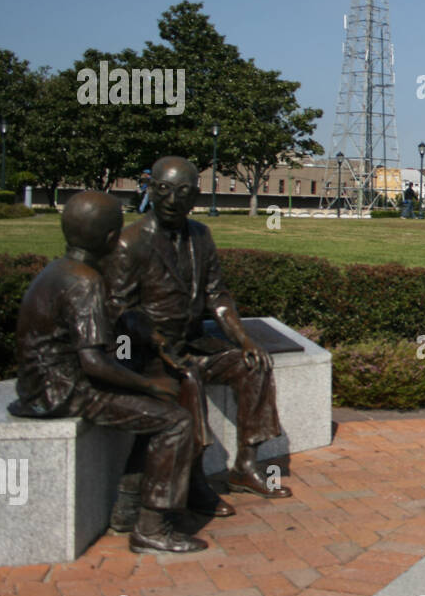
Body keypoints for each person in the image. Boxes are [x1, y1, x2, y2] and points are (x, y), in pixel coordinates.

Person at [8, 191, 206, 554]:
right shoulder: (87, 282)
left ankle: (128, 507)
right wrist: (149, 383)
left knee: (154, 402)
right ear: (111, 239)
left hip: (38, 388)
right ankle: (152, 525)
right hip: (64, 393)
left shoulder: (57, 269)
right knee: (175, 419)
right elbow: (94, 363)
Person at [103, 156, 292, 522]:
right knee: (188, 379)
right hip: (150, 350)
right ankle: (195, 480)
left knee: (253, 364)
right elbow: (120, 310)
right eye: (164, 190)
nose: (173, 200)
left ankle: (245, 465)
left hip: (193, 341)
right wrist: (157, 341)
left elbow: (217, 296)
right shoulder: (130, 243)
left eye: (183, 192)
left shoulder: (201, 236)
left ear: (196, 197)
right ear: (151, 190)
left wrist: (244, 339)